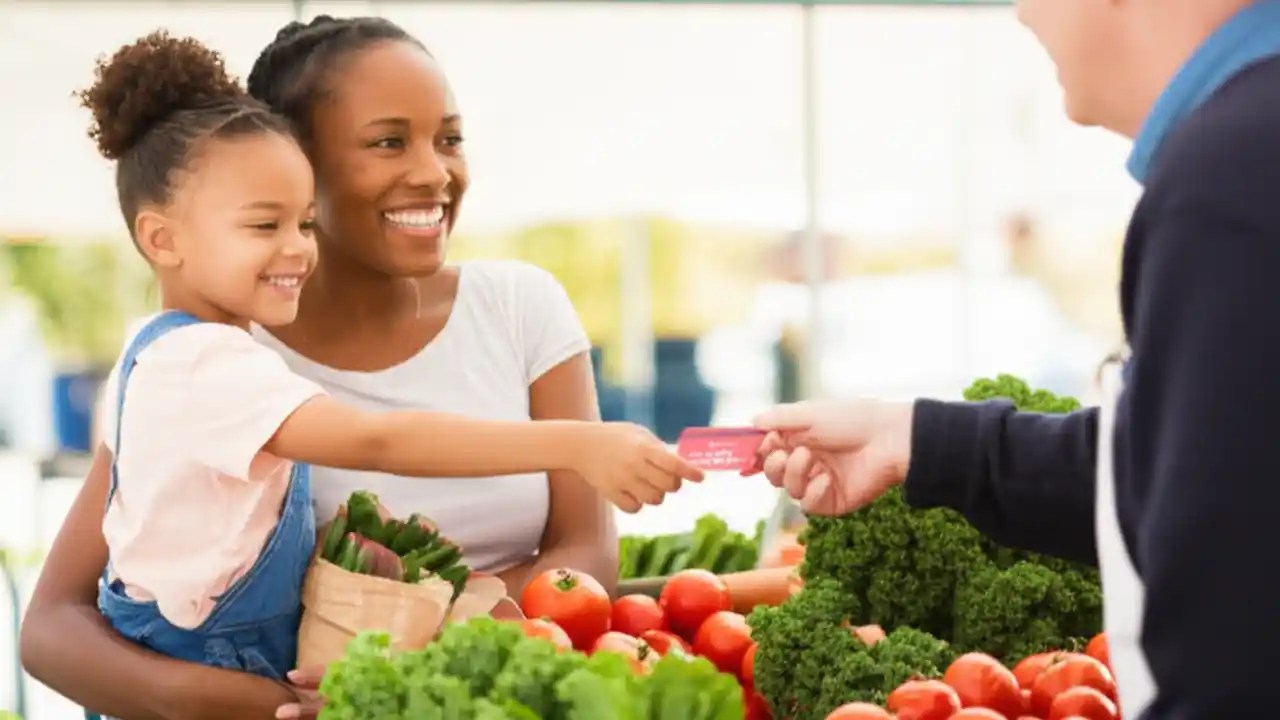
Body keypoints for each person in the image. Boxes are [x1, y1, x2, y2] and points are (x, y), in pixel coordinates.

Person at [20, 16, 684, 720]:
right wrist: (264, 703)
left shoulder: (522, 306)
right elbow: (54, 629)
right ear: (294, 159)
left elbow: (584, 559)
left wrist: (409, 676)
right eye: (388, 142)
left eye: (449, 139)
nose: (434, 172)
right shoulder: (217, 361)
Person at [752, 0, 1280, 718]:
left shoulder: (1233, 177)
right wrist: (913, 439)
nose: (1025, 12)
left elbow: (1234, 661)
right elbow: (1192, 463)